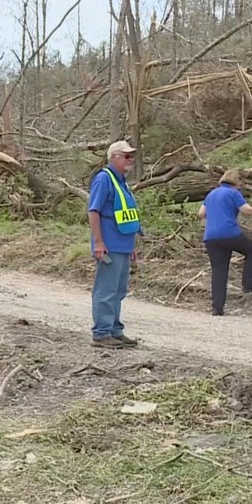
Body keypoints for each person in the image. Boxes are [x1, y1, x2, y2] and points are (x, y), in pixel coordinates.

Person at [198, 170, 252, 316]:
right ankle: (248, 285)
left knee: (219, 270)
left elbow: (201, 214)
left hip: (211, 236)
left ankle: (217, 307)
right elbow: (247, 211)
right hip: (229, 233)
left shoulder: (211, 194)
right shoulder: (233, 193)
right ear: (236, 182)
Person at [87, 140, 142, 349]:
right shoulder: (104, 179)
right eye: (126, 156)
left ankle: (114, 331)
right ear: (113, 157)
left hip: (123, 246)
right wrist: (99, 242)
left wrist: (131, 247)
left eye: (131, 156)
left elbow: (126, 218)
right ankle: (101, 333)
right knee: (106, 290)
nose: (130, 160)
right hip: (109, 246)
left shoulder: (122, 182)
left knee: (118, 291)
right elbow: (94, 211)